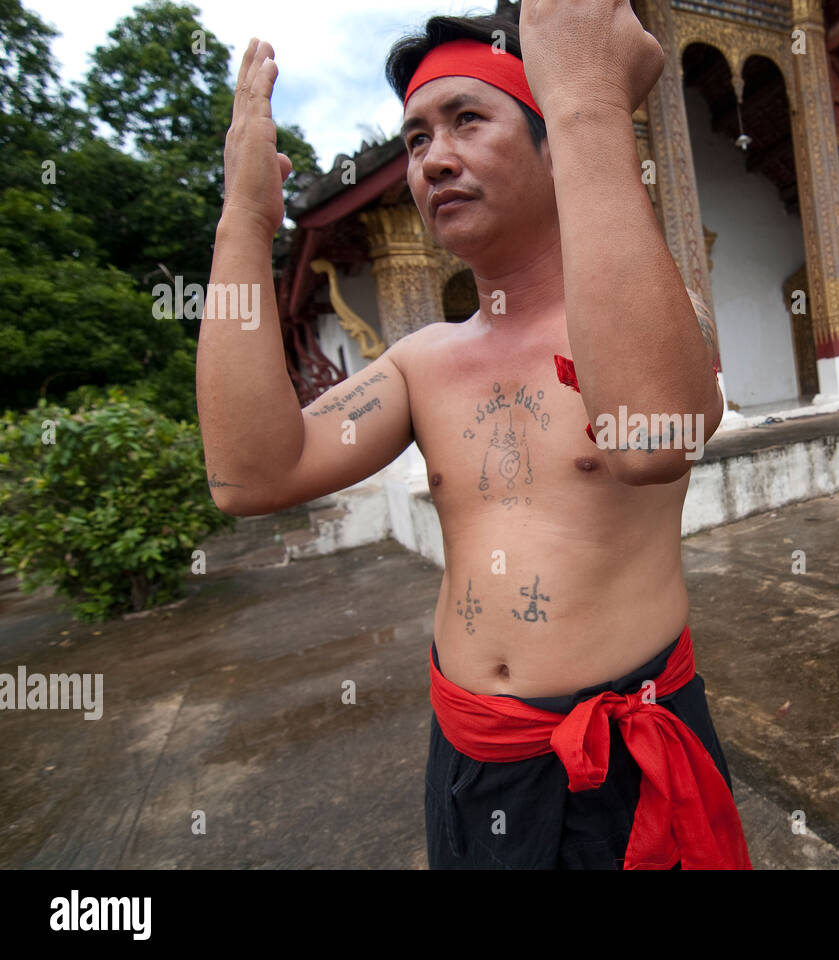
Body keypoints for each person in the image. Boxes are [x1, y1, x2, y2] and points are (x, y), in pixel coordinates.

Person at [197, 0, 750, 869]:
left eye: (466, 121)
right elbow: (248, 476)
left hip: (620, 762)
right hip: (471, 756)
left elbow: (651, 440)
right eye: (416, 139)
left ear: (549, 144)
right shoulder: (423, 362)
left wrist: (590, 107)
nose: (434, 160)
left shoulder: (651, 317)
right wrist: (244, 221)